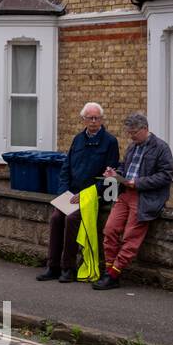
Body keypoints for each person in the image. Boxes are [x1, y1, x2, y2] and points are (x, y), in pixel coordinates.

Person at [38, 103, 120, 283]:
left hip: (92, 195)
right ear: (83, 119)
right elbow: (65, 169)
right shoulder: (77, 139)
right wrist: (63, 193)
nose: (93, 121)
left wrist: (86, 195)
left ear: (101, 119)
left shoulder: (110, 142)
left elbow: (110, 176)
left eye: (96, 118)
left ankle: (68, 268)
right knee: (56, 218)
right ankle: (53, 266)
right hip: (71, 193)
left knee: (72, 218)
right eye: (89, 118)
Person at [97, 112, 173, 290]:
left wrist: (138, 182)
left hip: (145, 197)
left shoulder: (161, 147)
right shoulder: (132, 147)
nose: (131, 136)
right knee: (109, 230)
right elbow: (125, 167)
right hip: (125, 194)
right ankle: (109, 271)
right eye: (129, 133)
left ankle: (114, 274)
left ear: (145, 129)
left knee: (131, 237)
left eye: (134, 133)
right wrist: (115, 173)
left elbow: (166, 175)